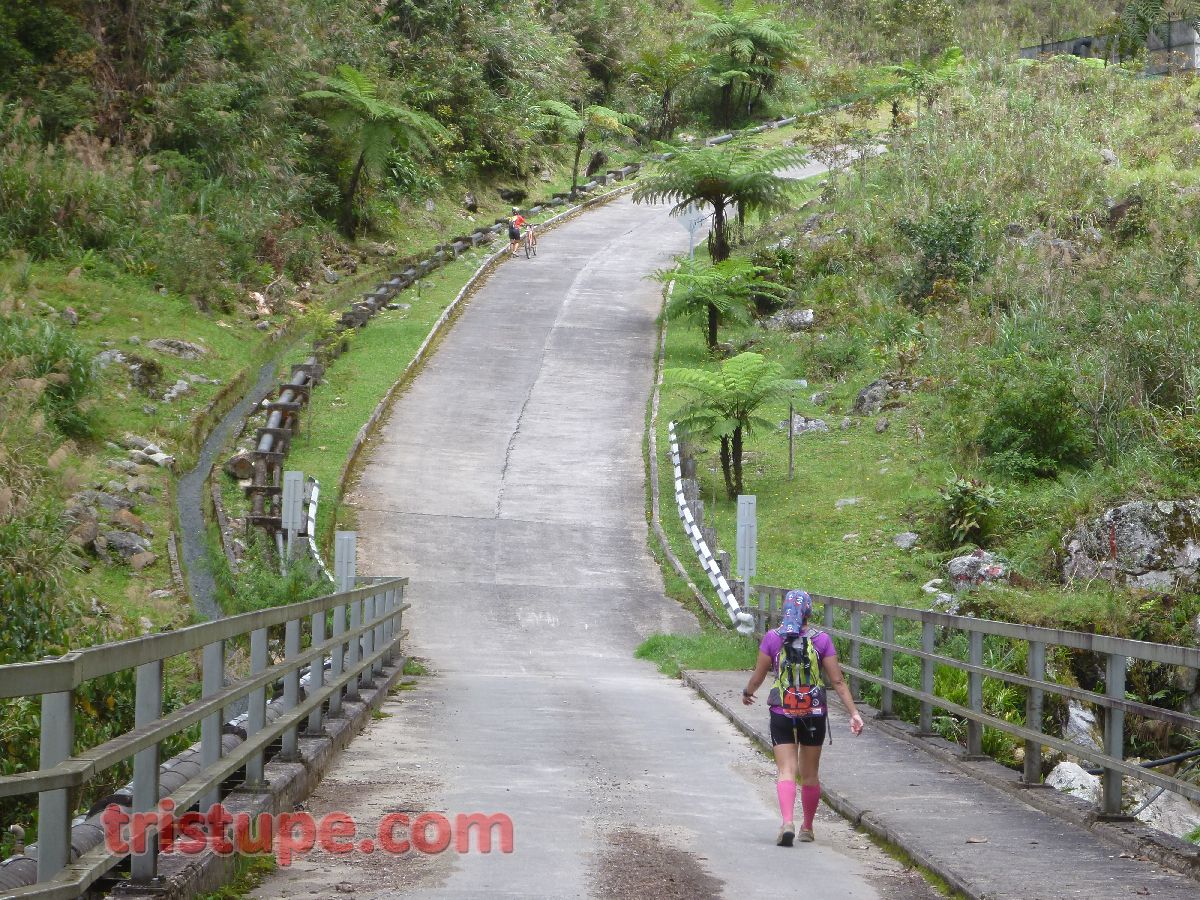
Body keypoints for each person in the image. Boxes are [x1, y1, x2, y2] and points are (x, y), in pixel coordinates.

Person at [741, 589, 864, 846]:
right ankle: (807, 827)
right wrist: (854, 713)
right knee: (810, 774)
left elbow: (759, 675)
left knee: (786, 770)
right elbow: (838, 681)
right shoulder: (822, 640)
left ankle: (787, 822)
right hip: (814, 713)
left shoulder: (773, 638)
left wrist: (748, 692)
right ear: (808, 611)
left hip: (782, 711)